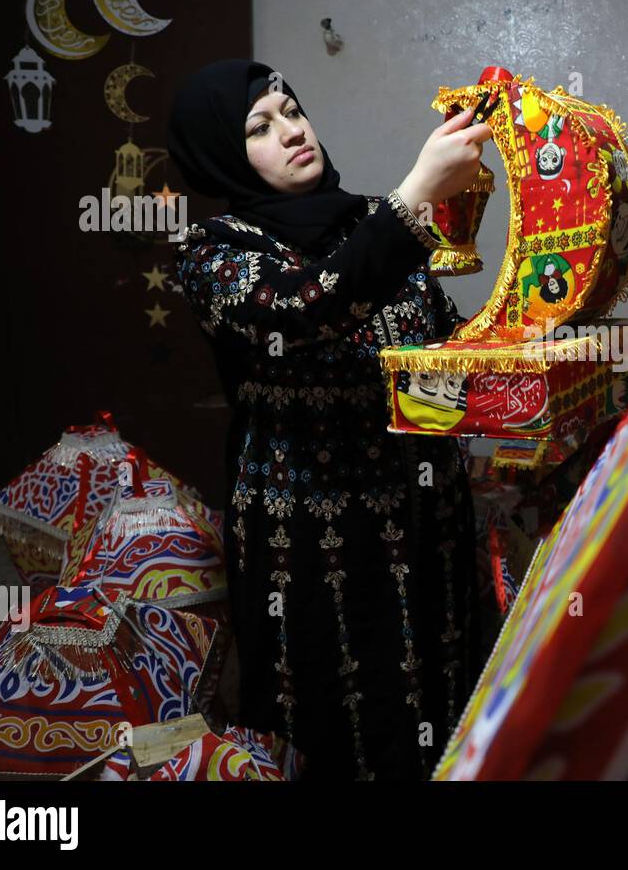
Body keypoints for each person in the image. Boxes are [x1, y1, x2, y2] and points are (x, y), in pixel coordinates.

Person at [166, 59, 491, 780]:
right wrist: (415, 198)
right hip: (311, 531)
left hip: (422, 514)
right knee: (334, 707)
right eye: (260, 126)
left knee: (436, 688)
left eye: (291, 109)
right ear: (221, 151)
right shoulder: (213, 253)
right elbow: (305, 308)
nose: (290, 131)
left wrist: (529, 361)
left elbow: (436, 348)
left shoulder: (379, 223)